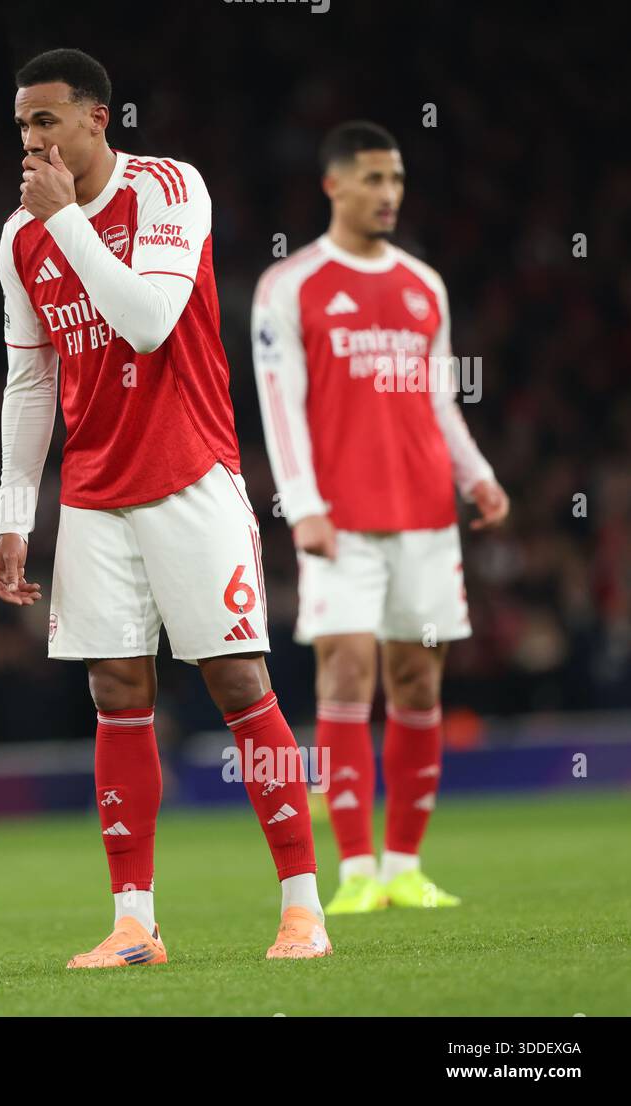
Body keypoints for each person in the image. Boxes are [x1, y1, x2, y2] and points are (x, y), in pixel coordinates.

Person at [0, 48, 331, 964]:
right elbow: (29, 379)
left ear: (98, 119)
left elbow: (146, 320)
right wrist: (13, 517)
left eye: (47, 120)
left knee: (237, 683)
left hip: (191, 474)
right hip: (94, 493)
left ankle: (303, 909)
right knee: (115, 692)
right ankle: (134, 923)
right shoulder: (19, 239)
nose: (31, 140)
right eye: (22, 124)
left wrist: (68, 226)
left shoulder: (171, 188)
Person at [251, 121, 509, 915]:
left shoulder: (423, 286)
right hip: (343, 521)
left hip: (427, 514)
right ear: (334, 185)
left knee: (416, 678)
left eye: (395, 179)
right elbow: (280, 405)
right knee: (348, 670)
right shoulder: (290, 286)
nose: (388, 193)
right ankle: (355, 869)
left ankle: (405, 864)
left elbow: (439, 401)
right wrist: (305, 509)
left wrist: (479, 475)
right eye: (372, 179)